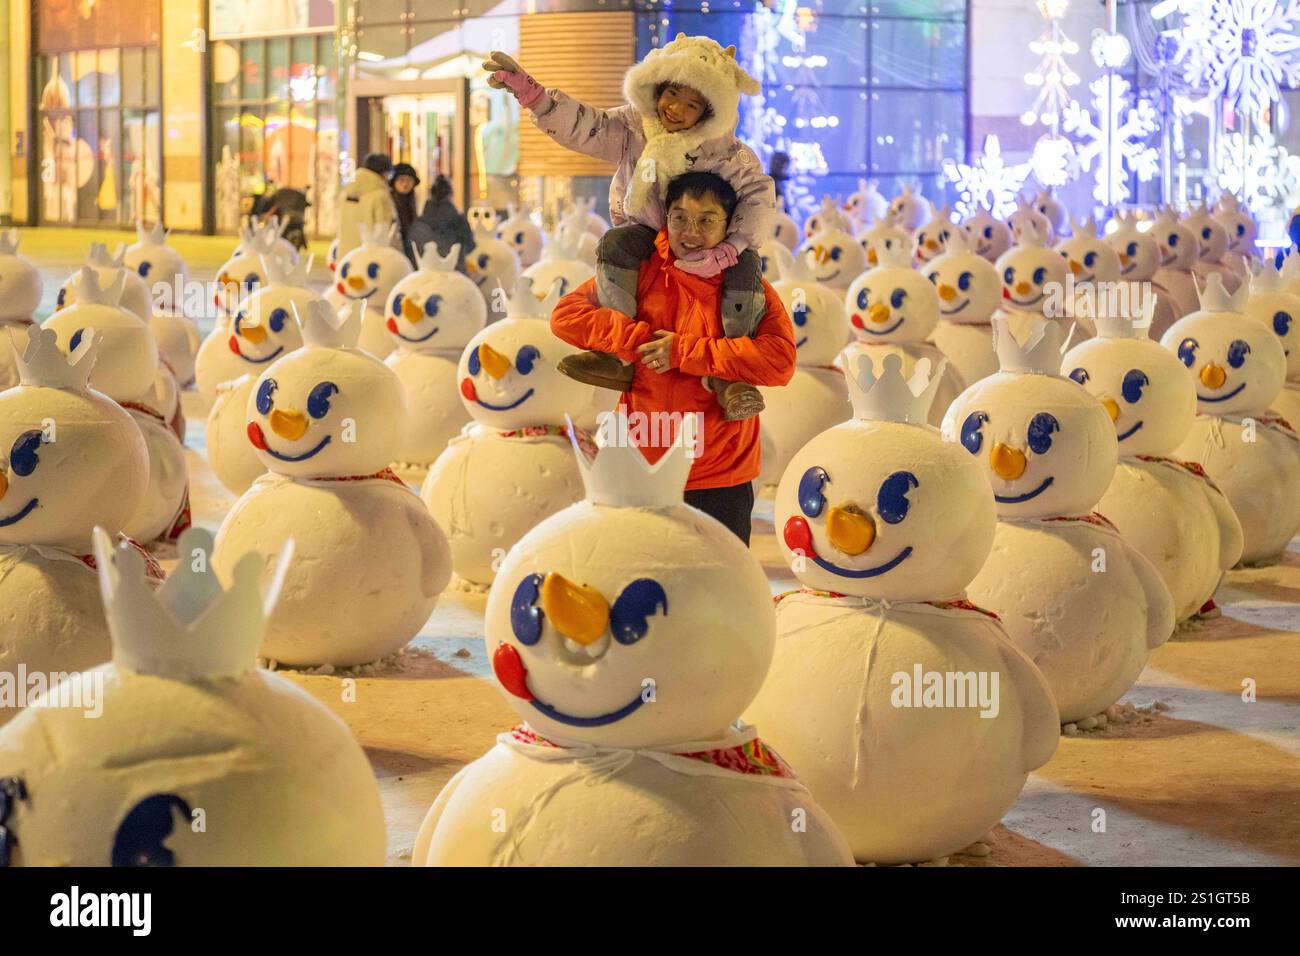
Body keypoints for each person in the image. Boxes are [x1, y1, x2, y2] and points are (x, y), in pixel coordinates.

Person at [486, 34, 777, 421]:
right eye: (672, 93)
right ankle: (616, 356)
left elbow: (758, 193)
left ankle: (731, 377)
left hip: (709, 247)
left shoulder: (725, 150)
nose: (676, 108)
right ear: (657, 86)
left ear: (708, 112)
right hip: (644, 233)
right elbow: (584, 125)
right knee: (616, 244)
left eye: (692, 104)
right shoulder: (633, 128)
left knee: (746, 267)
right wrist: (532, 94)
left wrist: (731, 246)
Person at [550, 171, 796, 545]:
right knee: (647, 584)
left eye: (706, 220)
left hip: (719, 472)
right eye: (679, 217)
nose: (690, 231)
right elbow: (566, 316)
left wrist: (684, 351)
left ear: (729, 225)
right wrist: (638, 339)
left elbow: (779, 361)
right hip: (640, 463)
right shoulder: (641, 273)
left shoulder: (747, 287)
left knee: (717, 586)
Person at [335, 152, 398, 258]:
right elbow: (383, 232)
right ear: (383, 173)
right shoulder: (380, 195)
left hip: (346, 257)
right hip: (371, 261)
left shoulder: (346, 193)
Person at [408, 175, 476, 274]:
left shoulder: (420, 222)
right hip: (454, 275)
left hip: (425, 277)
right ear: (450, 195)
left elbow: (412, 248)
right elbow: (470, 246)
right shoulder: (459, 220)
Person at [389, 162, 420, 264]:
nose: (405, 184)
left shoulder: (412, 201)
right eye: (401, 180)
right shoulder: (388, 201)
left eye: (409, 180)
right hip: (394, 251)